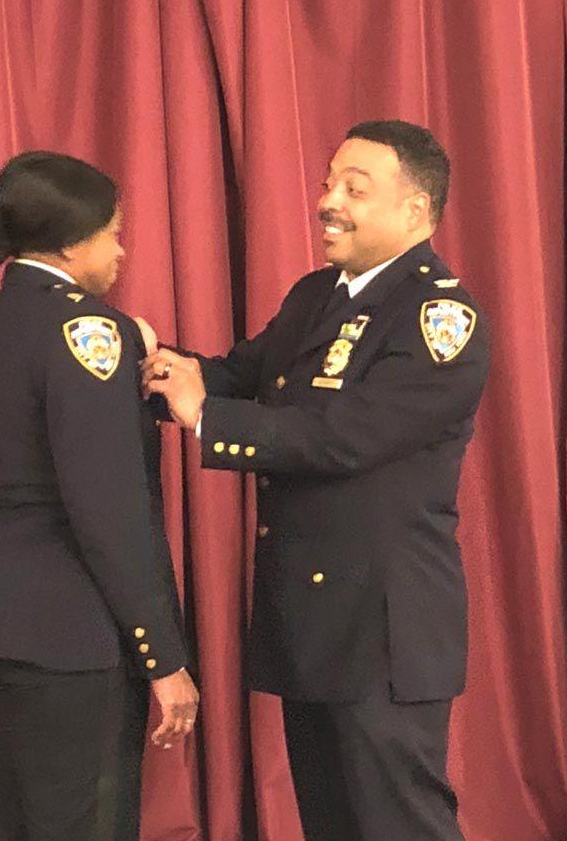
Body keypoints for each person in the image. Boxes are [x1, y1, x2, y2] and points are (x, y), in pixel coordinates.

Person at [143, 121, 489, 840]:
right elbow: (240, 372)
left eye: (353, 189)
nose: (328, 200)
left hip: (379, 629)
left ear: (414, 211)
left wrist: (206, 414)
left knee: (397, 823)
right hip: (311, 619)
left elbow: (345, 436)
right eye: (328, 182)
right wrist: (152, 364)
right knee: (330, 822)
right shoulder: (315, 296)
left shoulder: (437, 316)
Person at [0, 151, 199, 841]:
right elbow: (109, 509)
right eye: (112, 232)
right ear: (71, 243)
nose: (120, 249)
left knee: (17, 825)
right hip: (66, 626)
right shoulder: (87, 329)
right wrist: (162, 657)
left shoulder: (1, 317)